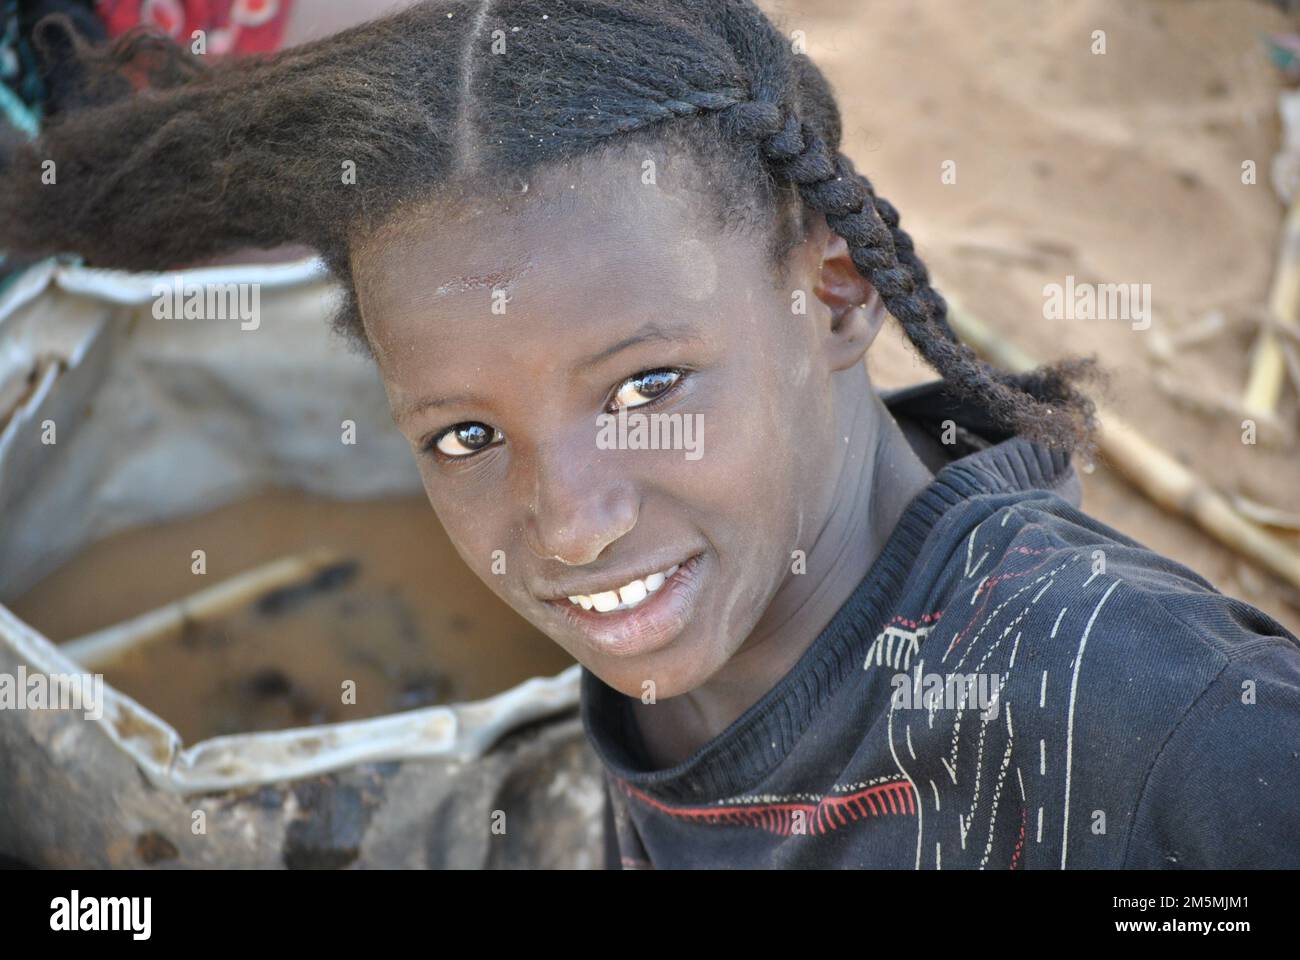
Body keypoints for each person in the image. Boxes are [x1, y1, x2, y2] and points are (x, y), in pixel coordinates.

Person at [1, 0, 1297, 869]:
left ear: (834, 293)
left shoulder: (1140, 713)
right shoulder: (689, 660)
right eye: (464, 436)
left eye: (645, 387)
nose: (570, 522)